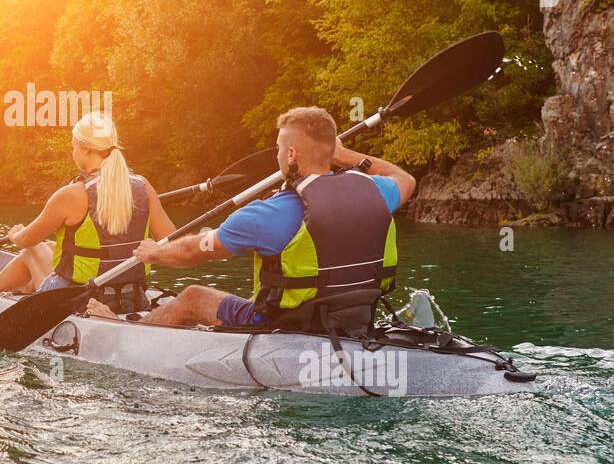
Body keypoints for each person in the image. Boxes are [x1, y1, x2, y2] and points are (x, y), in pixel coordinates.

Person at [105, 106, 415, 328]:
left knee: (193, 296)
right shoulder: (375, 192)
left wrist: (154, 252)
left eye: (280, 148)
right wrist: (345, 156)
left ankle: (126, 331)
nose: (277, 155)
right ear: (331, 150)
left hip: (286, 324)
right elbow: (406, 179)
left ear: (292, 154)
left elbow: (191, 252)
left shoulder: (266, 214)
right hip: (354, 319)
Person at [0, 111, 175, 312]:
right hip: (133, 297)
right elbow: (171, 240)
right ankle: (24, 291)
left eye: (74, 145)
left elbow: (27, 240)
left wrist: (16, 234)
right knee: (52, 246)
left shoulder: (71, 195)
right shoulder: (143, 187)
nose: (73, 151)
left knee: (33, 250)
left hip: (79, 301)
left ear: (85, 148)